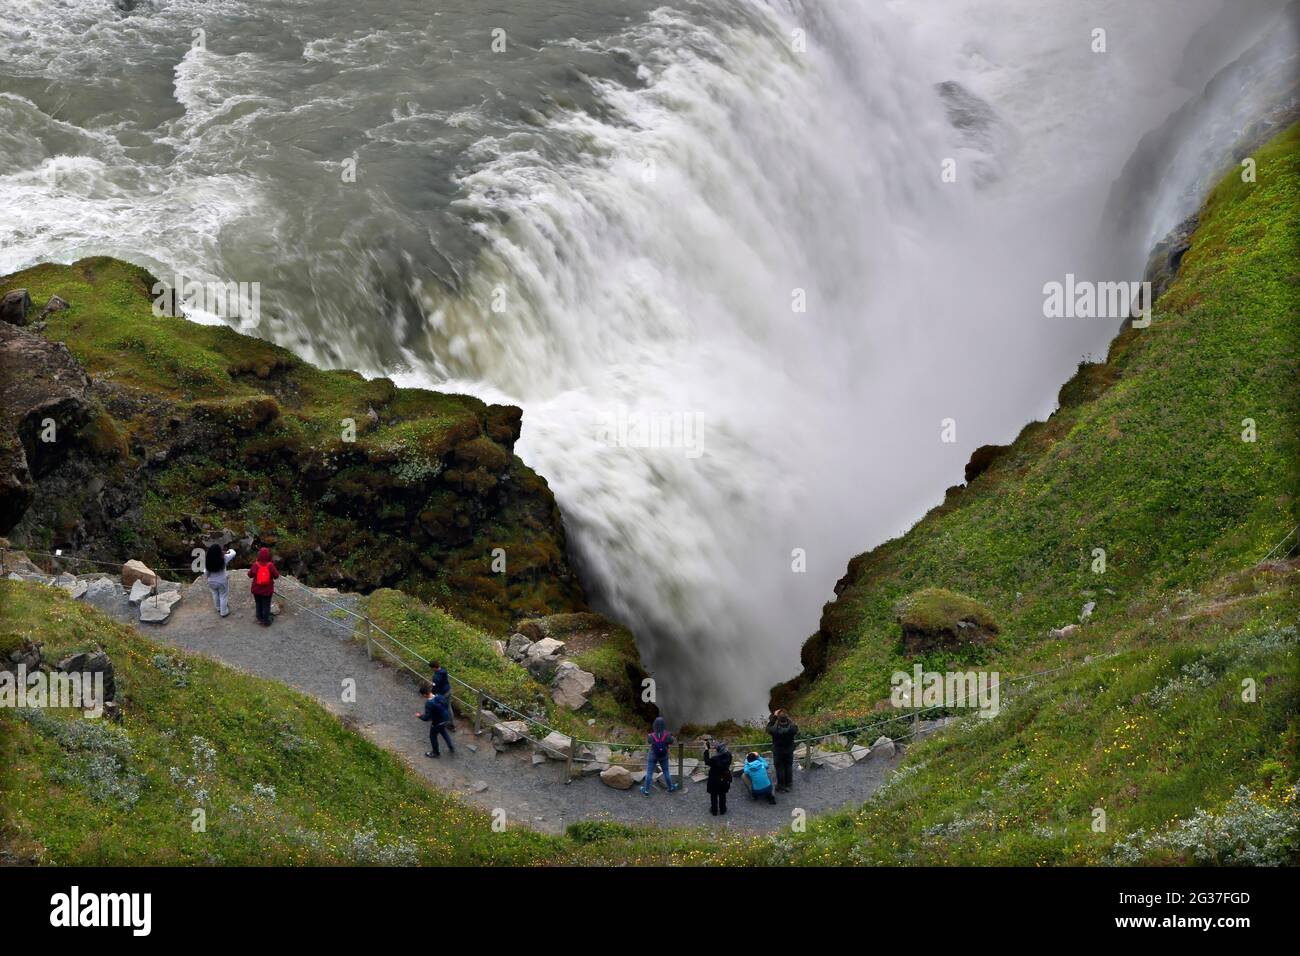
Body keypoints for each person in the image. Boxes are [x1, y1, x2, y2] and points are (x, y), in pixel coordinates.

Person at [640, 716, 679, 795]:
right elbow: (671, 741)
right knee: (666, 772)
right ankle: (670, 788)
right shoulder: (667, 735)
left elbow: (649, 742)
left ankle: (646, 791)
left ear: (655, 725)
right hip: (663, 756)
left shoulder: (651, 736)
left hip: (653, 755)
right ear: (663, 725)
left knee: (649, 772)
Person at [417, 682, 455, 758]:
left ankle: (435, 752)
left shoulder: (429, 703)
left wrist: (420, 716)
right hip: (445, 718)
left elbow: (426, 717)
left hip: (437, 722)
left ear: (424, 695)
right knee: (443, 732)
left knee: (432, 736)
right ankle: (451, 746)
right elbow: (446, 705)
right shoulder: (440, 696)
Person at [766, 709, 799, 793]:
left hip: (778, 751)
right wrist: (786, 716)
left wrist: (774, 717)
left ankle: (781, 786)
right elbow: (794, 725)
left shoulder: (774, 730)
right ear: (787, 718)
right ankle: (789, 784)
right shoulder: (792, 728)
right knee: (788, 766)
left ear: (778, 719)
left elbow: (768, 727)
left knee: (779, 768)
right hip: (789, 750)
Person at [246, 546, 280, 626]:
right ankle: (266, 621)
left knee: (258, 603)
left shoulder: (256, 565)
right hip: (267, 590)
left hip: (256, 589)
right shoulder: (270, 565)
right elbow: (276, 576)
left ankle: (259, 616)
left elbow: (249, 575)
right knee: (266, 605)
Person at [203, 542, 236, 618]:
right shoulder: (224, 558)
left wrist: (208, 578)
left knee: (215, 594)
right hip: (222, 581)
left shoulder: (208, 560)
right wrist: (229, 551)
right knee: (223, 596)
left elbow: (206, 572)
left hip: (211, 581)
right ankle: (223, 612)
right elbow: (233, 553)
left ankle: (218, 608)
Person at [702, 738, 733, 816]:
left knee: (713, 795)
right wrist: (717, 746)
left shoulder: (714, 759)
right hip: (724, 778)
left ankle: (714, 811)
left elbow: (706, 761)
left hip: (714, 779)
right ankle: (723, 810)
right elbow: (725, 751)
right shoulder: (729, 756)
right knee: (722, 794)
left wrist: (706, 750)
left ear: (718, 751)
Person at [430, 660, 454, 728]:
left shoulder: (436, 677)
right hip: (448, 690)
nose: (432, 670)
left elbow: (435, 687)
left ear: (434, 668)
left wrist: (433, 693)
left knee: (438, 706)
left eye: (432, 668)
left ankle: (438, 720)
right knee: (449, 707)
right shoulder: (443, 670)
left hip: (442, 693)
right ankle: (451, 723)